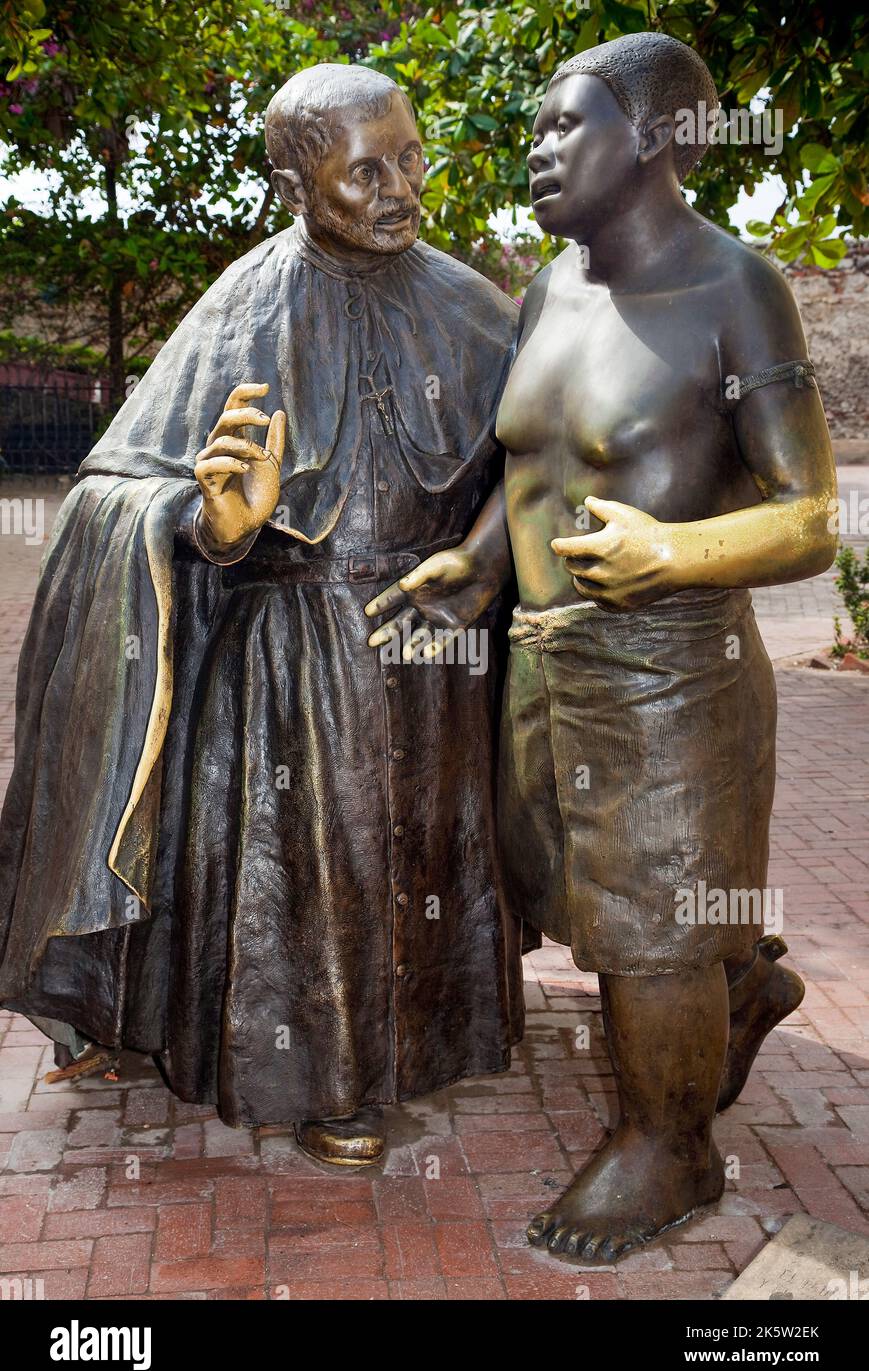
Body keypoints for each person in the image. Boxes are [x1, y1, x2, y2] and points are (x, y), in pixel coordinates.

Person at [0, 64, 524, 1165]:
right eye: (361, 173)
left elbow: (547, 467)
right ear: (293, 181)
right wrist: (212, 524)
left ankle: (434, 1036)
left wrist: (485, 562)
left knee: (428, 854)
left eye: (411, 158)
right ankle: (327, 1080)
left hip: (437, 650)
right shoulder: (241, 307)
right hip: (296, 663)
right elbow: (109, 496)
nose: (399, 190)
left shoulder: (476, 305)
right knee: (315, 866)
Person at [375, 31, 836, 1257]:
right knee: (568, 888)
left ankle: (669, 1147)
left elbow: (808, 519)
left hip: (671, 671)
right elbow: (532, 460)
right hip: (545, 654)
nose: (535, 150)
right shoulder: (551, 286)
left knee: (644, 924)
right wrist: (475, 565)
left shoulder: (736, 288)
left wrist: (673, 554)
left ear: (654, 138)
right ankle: (735, 995)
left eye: (560, 124)